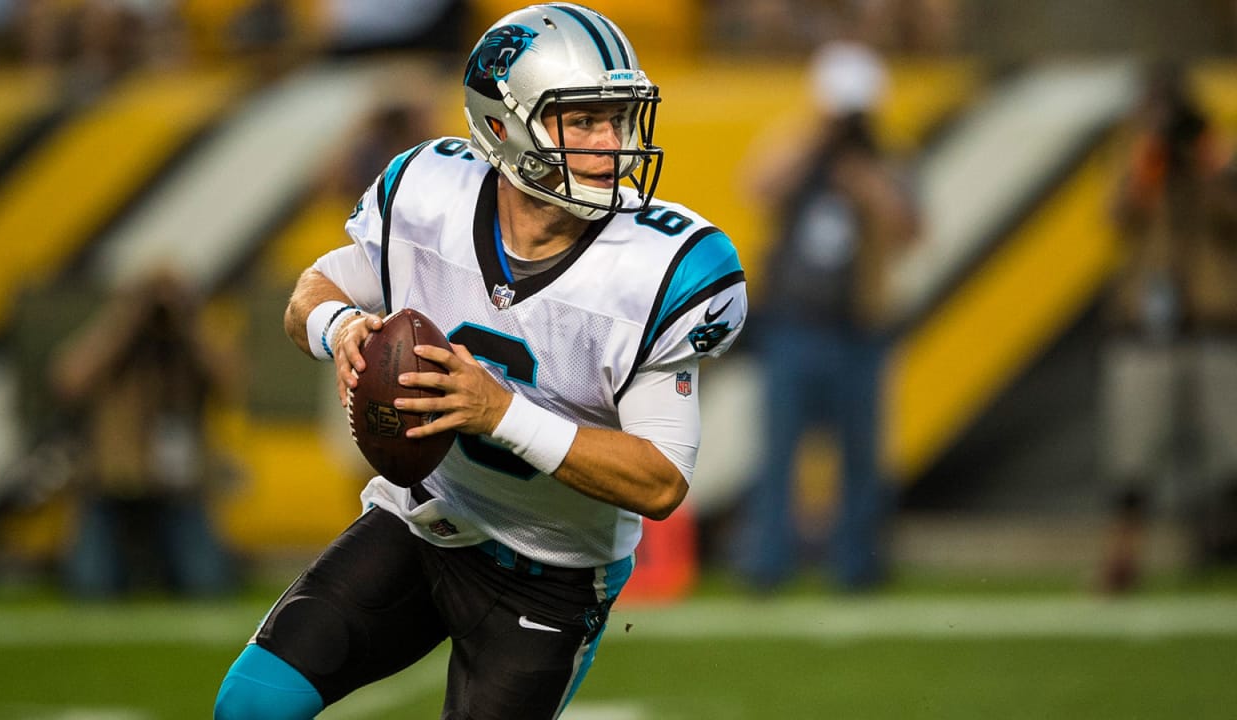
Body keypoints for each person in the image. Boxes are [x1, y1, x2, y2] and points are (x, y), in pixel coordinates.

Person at [213, 4, 747, 719]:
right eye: (582, 121)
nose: (610, 142)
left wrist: (499, 411)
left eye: (617, 118)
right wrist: (339, 327)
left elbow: (659, 482)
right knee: (251, 706)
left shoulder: (661, 266)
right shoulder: (429, 192)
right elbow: (313, 290)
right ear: (502, 124)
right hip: (421, 521)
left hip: (552, 575)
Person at [731, 40, 919, 593]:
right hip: (793, 324)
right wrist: (819, 141)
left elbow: (911, 228)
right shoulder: (799, 148)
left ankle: (856, 565)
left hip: (859, 328)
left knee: (861, 456)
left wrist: (866, 181)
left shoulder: (887, 159)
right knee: (778, 451)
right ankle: (768, 564)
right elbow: (757, 187)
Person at [1097, 64, 1237, 593]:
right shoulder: (1134, 155)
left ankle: (1218, 543)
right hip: (1146, 326)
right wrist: (1152, 153)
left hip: (1216, 321)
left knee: (1230, 450)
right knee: (1133, 455)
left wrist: (1208, 156)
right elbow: (1117, 215)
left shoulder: (1215, 157)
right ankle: (1122, 558)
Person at [49, 269, 237, 599]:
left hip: (180, 486)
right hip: (113, 483)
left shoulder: (188, 345)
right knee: (91, 587)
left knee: (208, 584)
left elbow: (232, 384)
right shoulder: (115, 343)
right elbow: (69, 381)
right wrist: (128, 317)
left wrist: (189, 322)